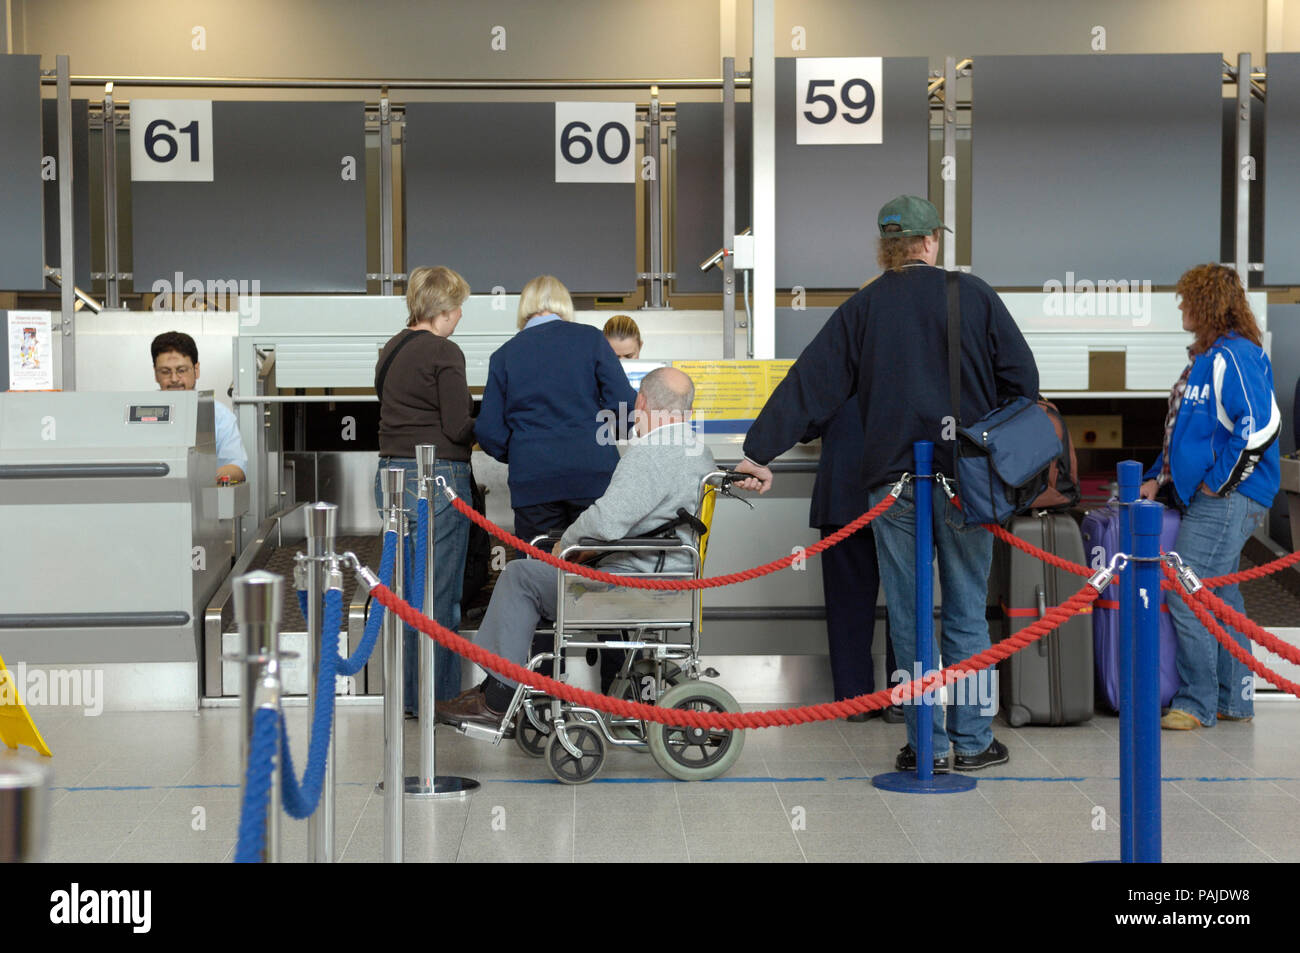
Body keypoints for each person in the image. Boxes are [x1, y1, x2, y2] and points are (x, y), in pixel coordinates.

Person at [734, 195, 1039, 773]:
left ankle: (926, 740)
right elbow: (1023, 380)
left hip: (891, 488)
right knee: (967, 612)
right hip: (966, 483)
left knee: (909, 615)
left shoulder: (865, 306)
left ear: (886, 248)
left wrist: (758, 451)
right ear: (931, 242)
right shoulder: (973, 295)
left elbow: (811, 382)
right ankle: (973, 740)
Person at [436, 367, 713, 726]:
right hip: (666, 576)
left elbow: (605, 522)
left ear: (641, 402)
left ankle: (499, 696)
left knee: (520, 576)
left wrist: (565, 545)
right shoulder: (696, 451)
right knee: (531, 577)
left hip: (628, 586)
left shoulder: (652, 454)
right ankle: (497, 687)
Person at [1140, 263, 1281, 730]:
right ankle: (1234, 699)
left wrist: (1217, 484)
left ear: (1207, 305)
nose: (1180, 306)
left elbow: (1258, 429)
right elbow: (1187, 433)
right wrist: (1158, 477)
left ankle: (1196, 702)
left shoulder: (1233, 357)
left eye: (1186, 299)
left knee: (1188, 590)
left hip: (1229, 498)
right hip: (1221, 495)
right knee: (1221, 595)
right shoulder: (1207, 358)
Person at [373, 265, 476, 709]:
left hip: (391, 477)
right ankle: (439, 701)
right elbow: (457, 425)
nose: (459, 318)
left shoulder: (391, 348)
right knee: (439, 600)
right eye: (457, 310)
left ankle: (411, 700)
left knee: (410, 596)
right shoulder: (444, 351)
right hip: (437, 479)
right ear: (443, 310)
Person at [476, 275, 637, 542]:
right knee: (595, 567)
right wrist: (603, 437)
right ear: (564, 304)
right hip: (592, 473)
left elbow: (488, 430)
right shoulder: (591, 340)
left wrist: (521, 451)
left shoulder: (504, 355)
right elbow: (624, 403)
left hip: (533, 478)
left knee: (539, 567)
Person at [803, 399, 900, 724]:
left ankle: (854, 700)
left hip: (844, 493)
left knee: (848, 606)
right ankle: (903, 697)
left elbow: (804, 424)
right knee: (908, 603)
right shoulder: (914, 359)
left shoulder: (840, 363)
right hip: (902, 497)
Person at [151, 331, 247, 484]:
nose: (174, 379)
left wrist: (198, 480)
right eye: (165, 372)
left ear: (196, 370)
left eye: (181, 370)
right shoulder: (140, 412)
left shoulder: (218, 415)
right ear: (156, 374)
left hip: (203, 501)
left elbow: (237, 467)